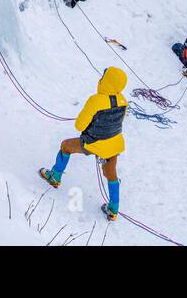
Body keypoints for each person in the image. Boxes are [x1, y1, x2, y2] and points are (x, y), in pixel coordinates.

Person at [38, 66, 127, 221]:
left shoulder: (95, 100)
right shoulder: (123, 101)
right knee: (110, 174)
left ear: (106, 81)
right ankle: (113, 209)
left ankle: (54, 177)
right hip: (114, 144)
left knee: (65, 146)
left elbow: (79, 126)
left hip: (94, 142)